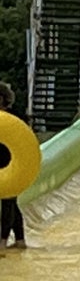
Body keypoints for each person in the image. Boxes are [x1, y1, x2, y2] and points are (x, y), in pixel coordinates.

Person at [0, 82, 25, 252]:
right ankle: (20, 239)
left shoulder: (13, 119)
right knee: (12, 204)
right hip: (10, 163)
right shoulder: (16, 117)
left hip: (10, 164)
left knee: (8, 202)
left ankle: (2, 241)